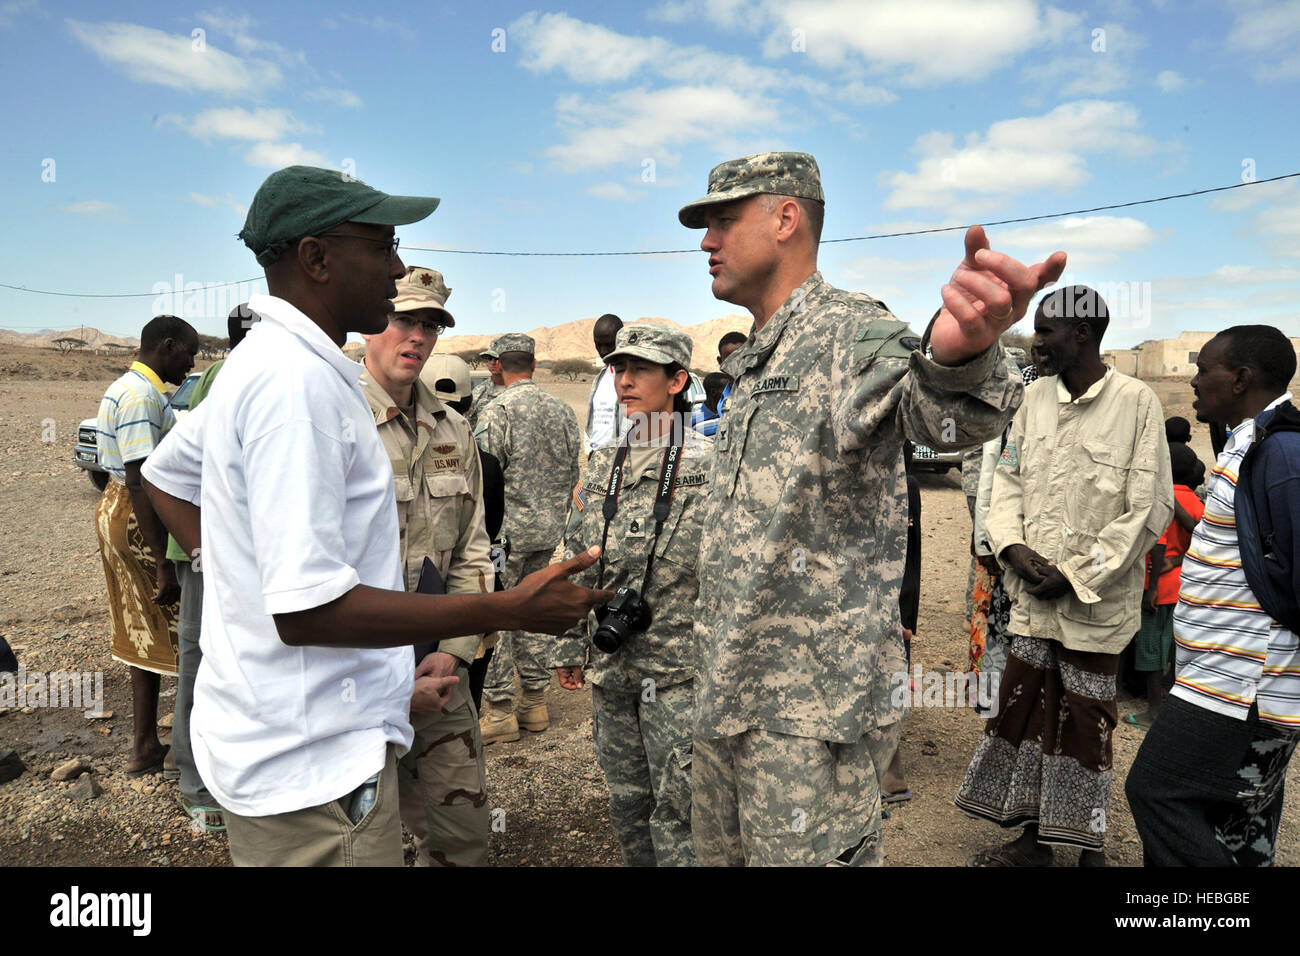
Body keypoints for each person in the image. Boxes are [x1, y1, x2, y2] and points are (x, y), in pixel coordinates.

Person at [141, 166, 607, 866]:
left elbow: (168, 473)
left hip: (337, 725)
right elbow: (306, 612)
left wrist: (235, 573)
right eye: (383, 243)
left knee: (457, 840)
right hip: (314, 766)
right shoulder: (300, 387)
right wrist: (507, 610)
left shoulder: (270, 363)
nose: (396, 267)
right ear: (316, 258)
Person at [677, 151, 1058, 867]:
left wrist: (961, 354)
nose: (706, 241)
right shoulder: (759, 355)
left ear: (786, 217)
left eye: (723, 221)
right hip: (729, 695)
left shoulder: (848, 330)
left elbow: (936, 411)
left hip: (809, 716)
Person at [956, 285, 1173, 867]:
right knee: (1026, 715)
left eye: (1047, 329)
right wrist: (1014, 547)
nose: (1035, 339)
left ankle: (1085, 847)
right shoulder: (1031, 402)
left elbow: (1148, 508)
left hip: (1093, 608)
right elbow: (1008, 483)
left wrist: (1076, 576)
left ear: (1082, 333)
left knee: (1085, 728)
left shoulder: (1136, 403)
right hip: (1032, 599)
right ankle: (1032, 840)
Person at [1126, 325, 1300, 866]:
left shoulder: (1283, 455)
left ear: (1242, 378)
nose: (1194, 381)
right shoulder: (1249, 442)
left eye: (1204, 370)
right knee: (1236, 824)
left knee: (1156, 791)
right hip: (1226, 672)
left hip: (1243, 680)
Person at [552, 323, 711, 866]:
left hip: (679, 673)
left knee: (682, 809)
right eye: (620, 368)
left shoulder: (708, 467)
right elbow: (575, 557)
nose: (625, 380)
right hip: (612, 667)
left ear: (677, 380)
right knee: (626, 802)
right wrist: (570, 648)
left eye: (642, 369)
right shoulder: (602, 466)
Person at [360, 265, 492, 867]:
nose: (417, 336)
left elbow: (471, 547)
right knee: (365, 840)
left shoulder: (455, 430)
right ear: (372, 324)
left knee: (462, 835)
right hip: (356, 679)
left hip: (440, 670)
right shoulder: (335, 418)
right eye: (403, 319)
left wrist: (458, 649)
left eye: (430, 324)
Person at [164, 304, 259, 831]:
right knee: (201, 657)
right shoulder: (236, 374)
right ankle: (197, 783)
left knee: (214, 654)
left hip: (207, 542)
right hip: (205, 545)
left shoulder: (221, 373)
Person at [95, 313, 197, 776]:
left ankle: (144, 746)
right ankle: (180, 751)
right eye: (189, 352)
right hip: (140, 516)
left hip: (117, 509)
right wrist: (162, 560)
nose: (192, 362)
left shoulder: (128, 387)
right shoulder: (140, 396)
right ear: (169, 346)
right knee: (182, 627)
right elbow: (141, 478)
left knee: (142, 626)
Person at [474, 333, 583, 744]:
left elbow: (484, 477)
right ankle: (534, 703)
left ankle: (501, 709)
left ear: (497, 365)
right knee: (534, 613)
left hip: (503, 538)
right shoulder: (562, 411)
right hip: (547, 531)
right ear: (533, 365)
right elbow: (575, 475)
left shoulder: (497, 410)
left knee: (498, 615)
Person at [1123, 443, 1205, 730]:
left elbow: (1157, 543)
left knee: (1150, 648)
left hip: (1156, 584)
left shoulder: (1160, 500)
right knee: (1172, 647)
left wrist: (1152, 586)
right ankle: (1171, 703)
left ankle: (1153, 710)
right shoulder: (1196, 502)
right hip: (1184, 583)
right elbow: (1201, 539)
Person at [584, 313, 626, 458]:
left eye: (608, 344)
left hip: (620, 461)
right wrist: (589, 449)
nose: (602, 351)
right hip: (596, 460)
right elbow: (593, 418)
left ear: (621, 340)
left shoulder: (633, 378)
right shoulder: (601, 377)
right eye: (598, 345)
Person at [469, 346, 504, 429]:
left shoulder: (520, 390)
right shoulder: (479, 391)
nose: (493, 363)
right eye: (489, 359)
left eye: (497, 359)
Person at [691, 371, 729, 436]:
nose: (730, 393)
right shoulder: (691, 419)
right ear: (713, 392)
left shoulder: (729, 417)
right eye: (727, 390)